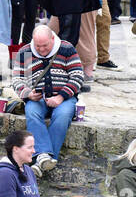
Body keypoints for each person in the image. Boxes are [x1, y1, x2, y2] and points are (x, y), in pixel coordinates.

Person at [12, 24, 84, 176]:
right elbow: (17, 79)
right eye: (38, 46)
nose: (42, 50)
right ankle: (45, 157)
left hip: (65, 97)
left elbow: (78, 76)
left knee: (62, 117)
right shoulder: (24, 51)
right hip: (38, 98)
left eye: (45, 46)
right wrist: (28, 94)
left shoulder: (66, 48)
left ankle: (40, 160)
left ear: (52, 39)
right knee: (31, 112)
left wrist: (61, 96)